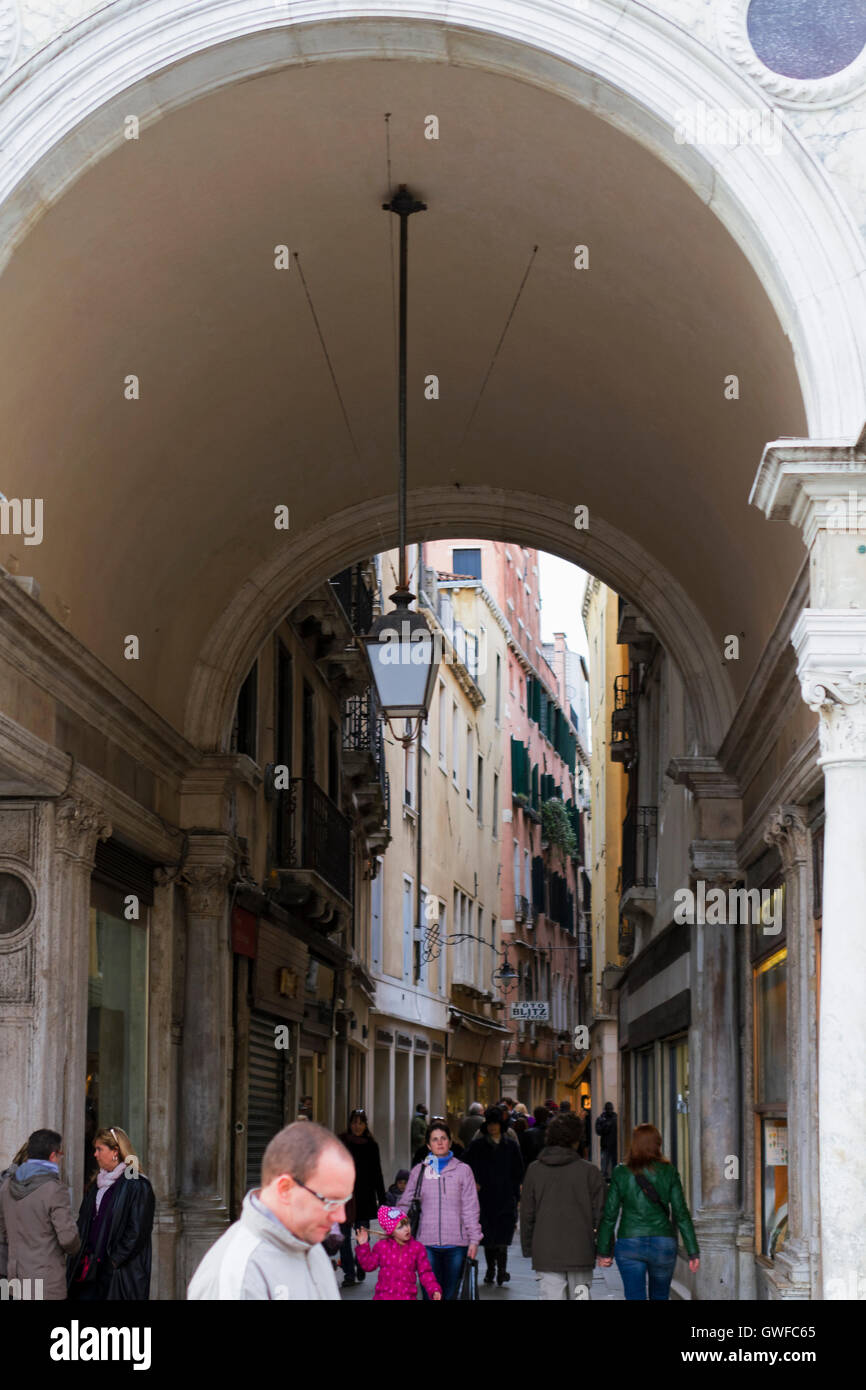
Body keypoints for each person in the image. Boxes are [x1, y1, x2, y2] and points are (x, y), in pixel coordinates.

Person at [188, 1121, 354, 1298]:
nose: (341, 1216)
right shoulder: (238, 1277)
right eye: (330, 1201)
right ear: (285, 1189)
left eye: (345, 1201)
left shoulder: (311, 1246)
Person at [596, 1123, 700, 1301]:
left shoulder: (621, 1172)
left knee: (634, 1296)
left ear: (633, 1144)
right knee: (660, 1295)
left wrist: (604, 1251)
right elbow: (680, 1213)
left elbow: (610, 1215)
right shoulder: (668, 1171)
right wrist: (692, 1251)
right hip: (663, 1243)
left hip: (630, 1242)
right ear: (658, 1144)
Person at [520, 1111, 606, 1300]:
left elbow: (527, 1214)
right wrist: (604, 1248)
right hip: (581, 1253)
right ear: (576, 1138)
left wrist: (528, 1247)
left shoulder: (534, 1171)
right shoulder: (590, 1172)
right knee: (581, 1296)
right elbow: (601, 1214)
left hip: (546, 1253)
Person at [397, 1120, 481, 1301]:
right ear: (428, 1145)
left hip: (457, 1245)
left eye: (443, 1138)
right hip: (426, 1244)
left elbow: (470, 1207)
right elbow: (405, 1203)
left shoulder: (463, 1170)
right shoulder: (419, 1171)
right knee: (430, 1294)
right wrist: (392, 1225)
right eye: (435, 1139)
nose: (440, 1142)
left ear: (450, 1142)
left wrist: (474, 1240)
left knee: (451, 1294)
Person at [67, 1126, 155, 1300]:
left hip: (117, 1274)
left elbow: (137, 1232)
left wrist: (113, 1262)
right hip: (89, 1270)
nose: (95, 1154)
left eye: (99, 1149)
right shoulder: (96, 1184)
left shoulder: (137, 1184)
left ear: (116, 1151)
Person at [0, 1129, 80, 1300]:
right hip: (46, 1281)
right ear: (53, 1156)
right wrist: (76, 1248)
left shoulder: (6, 1186)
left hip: (16, 1279)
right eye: (60, 1154)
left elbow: (3, 1231)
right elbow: (68, 1238)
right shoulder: (55, 1189)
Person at [464, 1106, 524, 1287]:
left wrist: (516, 1193)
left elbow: (518, 1170)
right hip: (486, 1196)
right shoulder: (478, 1146)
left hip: (505, 1195)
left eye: (495, 1124)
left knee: (503, 1234)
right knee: (489, 1235)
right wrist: (473, 1182)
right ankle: (491, 1269)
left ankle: (502, 1270)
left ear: (501, 1125)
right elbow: (465, 1164)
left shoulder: (511, 1146)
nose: (492, 1128)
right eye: (490, 1124)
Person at [337, 1108, 386, 1287]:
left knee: (361, 1235)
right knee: (343, 1237)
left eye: (360, 1122)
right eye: (354, 1122)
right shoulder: (341, 1142)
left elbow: (377, 1173)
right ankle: (349, 1273)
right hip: (344, 1197)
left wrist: (382, 1200)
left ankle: (361, 1263)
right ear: (350, 1124)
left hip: (364, 1198)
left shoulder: (371, 1145)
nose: (357, 1126)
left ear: (365, 1125)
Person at [355, 1205, 442, 1300]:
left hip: (408, 1297)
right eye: (400, 1227)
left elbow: (425, 1272)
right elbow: (368, 1266)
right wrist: (363, 1246)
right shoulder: (381, 1246)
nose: (406, 1229)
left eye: (407, 1224)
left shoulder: (417, 1248)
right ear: (391, 1232)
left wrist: (434, 1289)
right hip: (384, 1297)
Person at [595, 1101, 618, 1178]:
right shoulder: (601, 1119)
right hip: (606, 1145)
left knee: (614, 1166)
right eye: (608, 1109)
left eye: (611, 1109)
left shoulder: (616, 1118)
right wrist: (606, 1125)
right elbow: (598, 1131)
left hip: (614, 1145)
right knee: (604, 1167)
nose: (610, 1111)